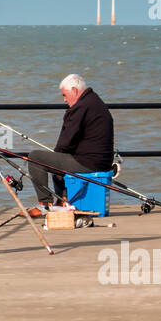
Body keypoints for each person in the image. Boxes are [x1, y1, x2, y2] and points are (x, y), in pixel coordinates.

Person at [27, 74, 114, 217]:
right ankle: (63, 201)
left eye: (65, 95)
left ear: (74, 90)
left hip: (89, 162)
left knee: (35, 157)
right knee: (57, 161)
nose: (64, 100)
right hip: (101, 161)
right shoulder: (94, 101)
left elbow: (66, 141)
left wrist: (56, 165)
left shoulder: (81, 107)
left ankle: (44, 204)